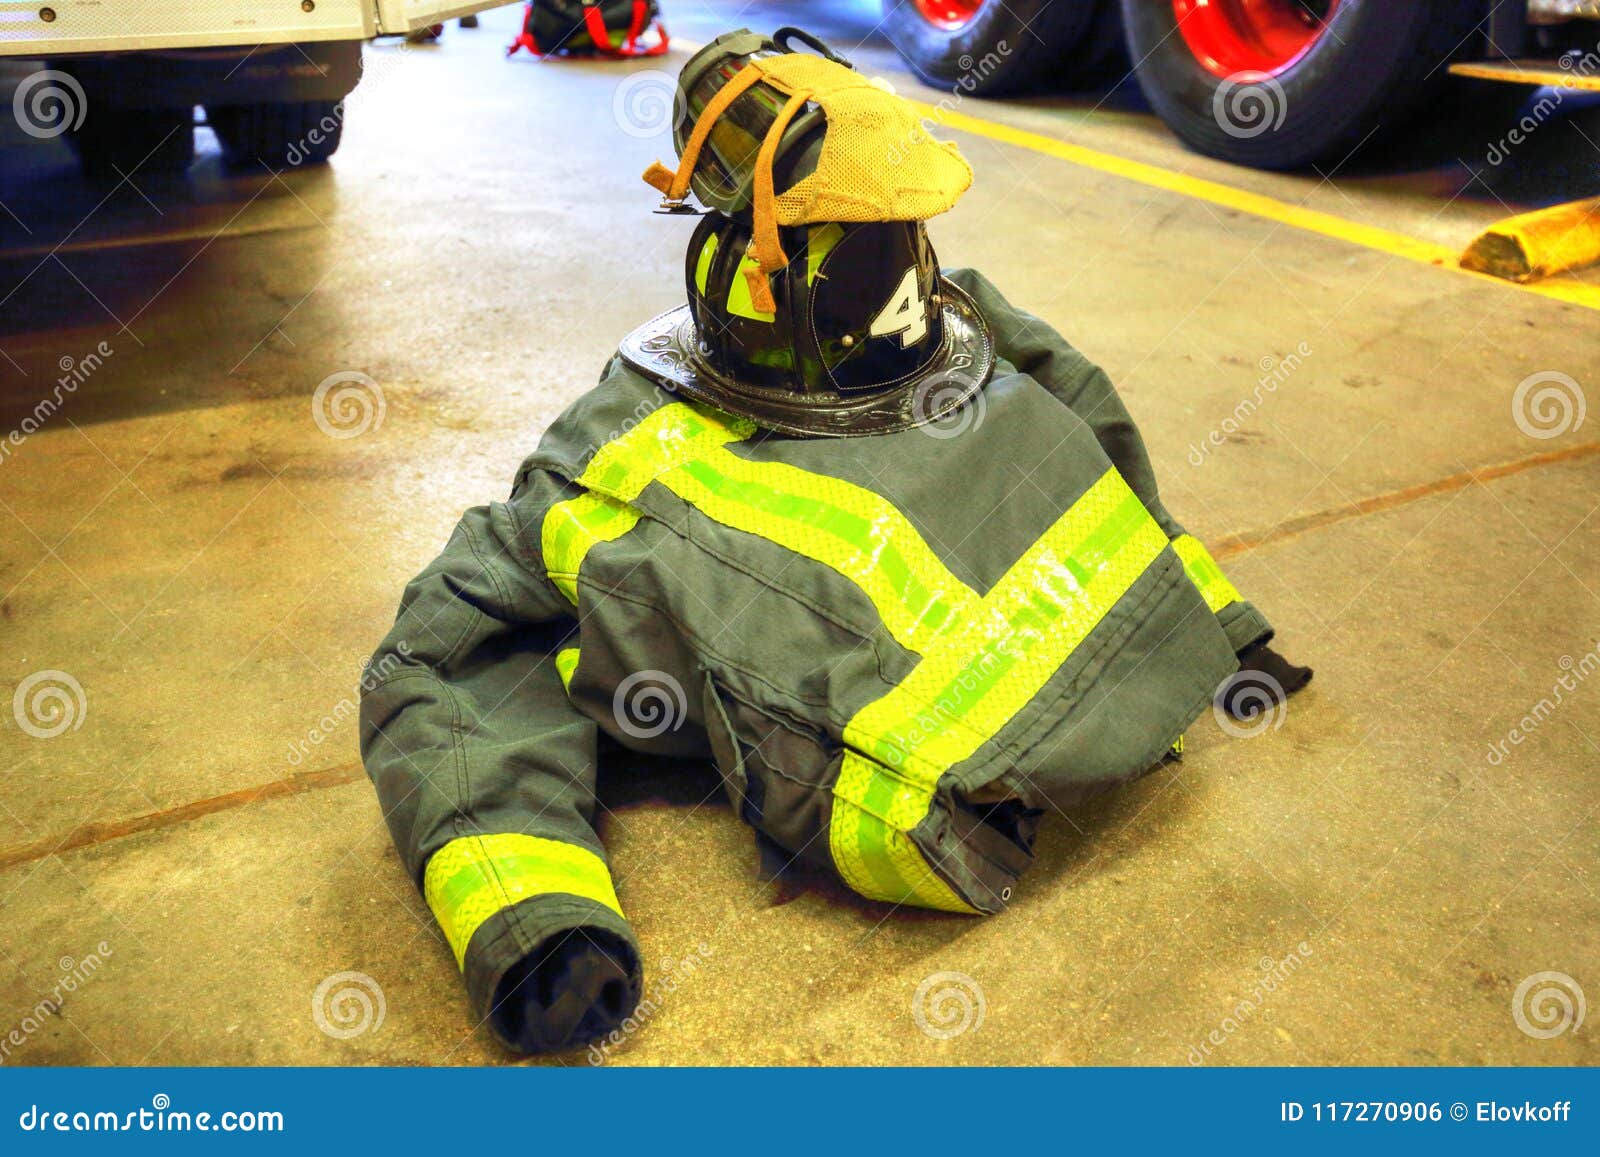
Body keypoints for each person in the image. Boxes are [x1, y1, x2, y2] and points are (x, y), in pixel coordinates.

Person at [359, 27, 1310, 1055]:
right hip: (1036, 759)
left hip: (943, 824)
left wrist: (530, 916)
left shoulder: (628, 460)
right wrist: (1215, 629)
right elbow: (1106, 458)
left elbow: (437, 663)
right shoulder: (962, 336)